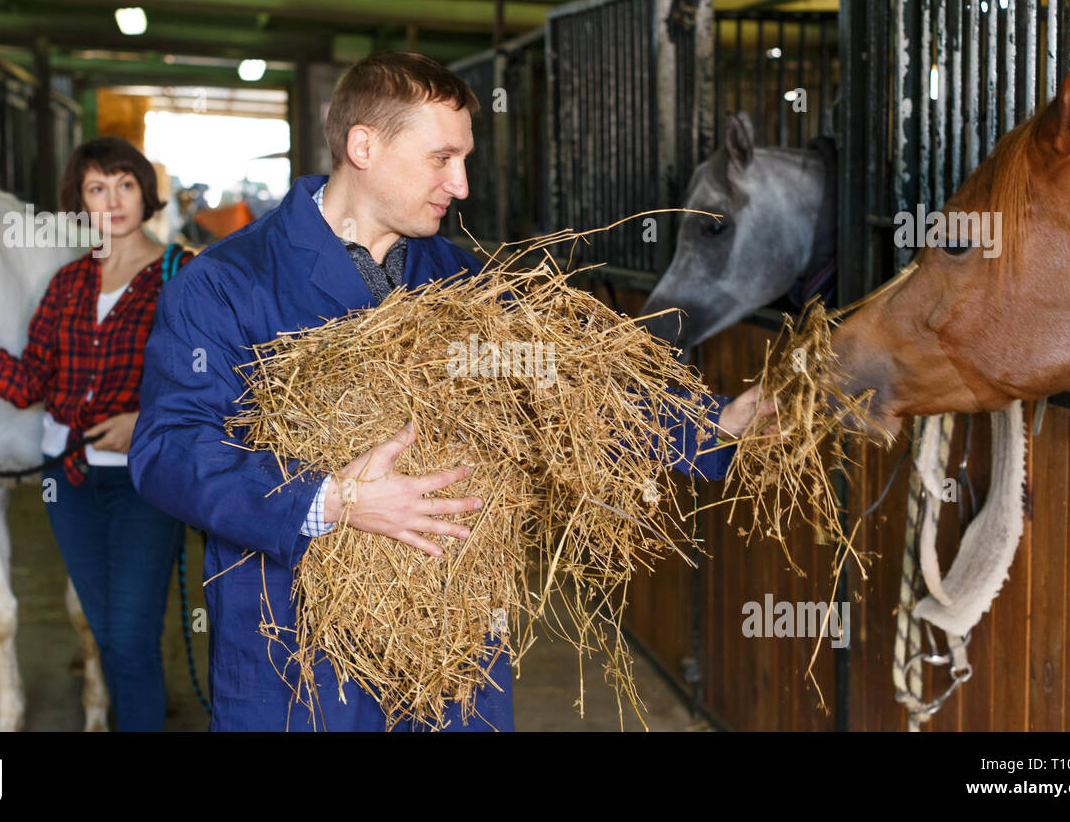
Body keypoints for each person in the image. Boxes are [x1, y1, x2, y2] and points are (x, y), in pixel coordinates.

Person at [129, 51, 774, 732]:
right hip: (300, 656)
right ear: (363, 145)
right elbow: (169, 450)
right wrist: (330, 500)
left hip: (453, 651)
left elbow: (565, 394)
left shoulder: (466, 283)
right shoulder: (227, 281)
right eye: (442, 158)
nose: (461, 184)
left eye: (463, 159)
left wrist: (719, 423)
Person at [0, 136, 191, 731]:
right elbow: (25, 385)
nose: (113, 200)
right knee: (105, 630)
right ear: (81, 202)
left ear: (145, 194)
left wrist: (148, 422)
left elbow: (215, 387)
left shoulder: (183, 276)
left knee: (130, 635)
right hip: (68, 485)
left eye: (125, 184)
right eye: (97, 188)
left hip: (143, 484)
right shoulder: (69, 285)